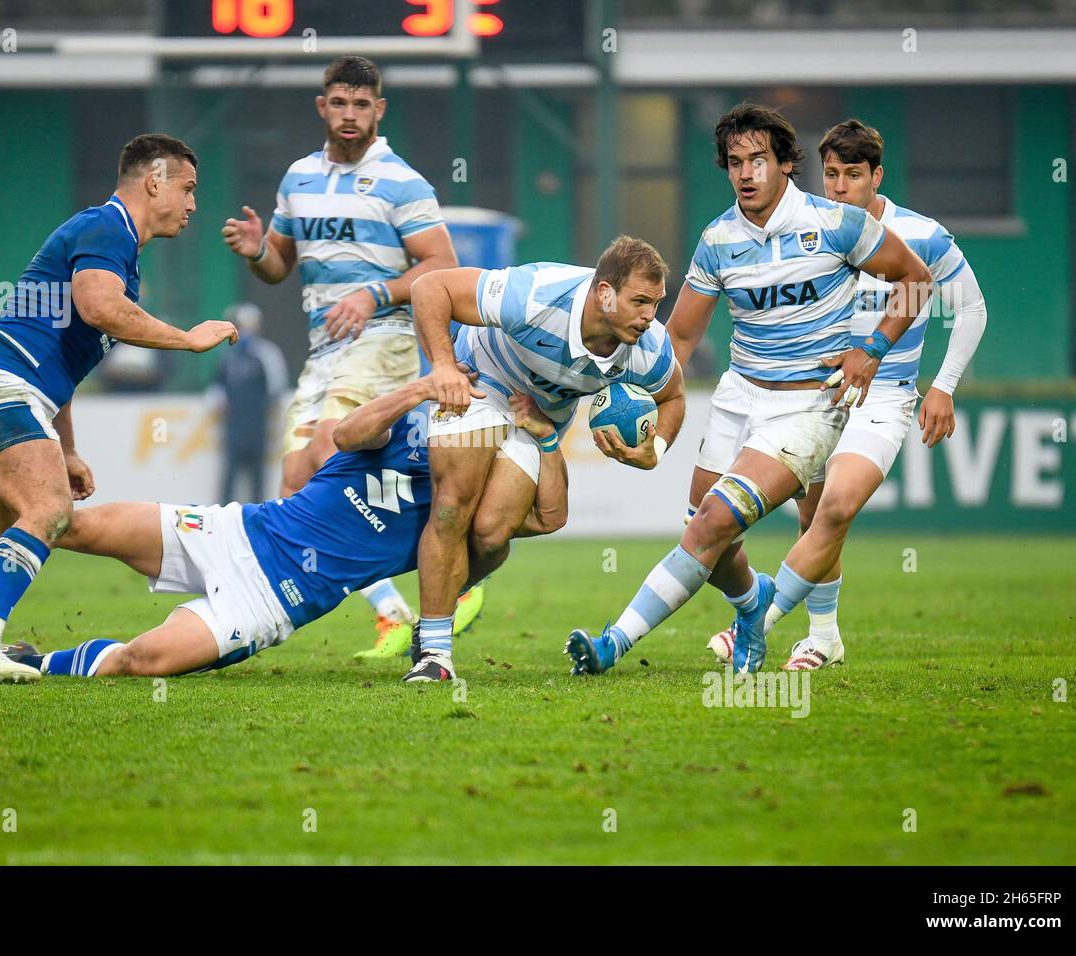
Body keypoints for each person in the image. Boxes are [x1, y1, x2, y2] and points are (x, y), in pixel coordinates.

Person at [0, 376, 567, 680]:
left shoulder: (473, 506)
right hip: (231, 531)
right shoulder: (405, 422)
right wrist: (421, 386)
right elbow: (341, 431)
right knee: (63, 524)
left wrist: (549, 434)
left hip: (268, 604)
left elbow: (543, 518)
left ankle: (22, 659)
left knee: (142, 662)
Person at [566, 102, 933, 677]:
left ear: (786, 164)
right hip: (738, 398)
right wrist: (638, 392)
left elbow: (917, 279)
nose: (745, 173)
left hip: (809, 406)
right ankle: (752, 602)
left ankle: (614, 642)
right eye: (735, 162)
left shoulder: (838, 224)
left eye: (758, 159)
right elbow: (680, 336)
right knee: (705, 538)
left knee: (714, 521)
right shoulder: (717, 240)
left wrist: (873, 350)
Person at [0, 133, 238, 683]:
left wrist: (69, 448)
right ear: (154, 181)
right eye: (189, 188)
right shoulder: (107, 228)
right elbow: (100, 308)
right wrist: (186, 339)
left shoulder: (111, 244)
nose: (194, 203)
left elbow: (64, 366)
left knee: (8, 531)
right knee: (50, 514)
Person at [704, 118, 988, 670]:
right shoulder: (816, 228)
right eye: (831, 174)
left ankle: (755, 625)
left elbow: (971, 308)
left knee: (836, 506)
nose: (838, 187)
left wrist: (944, 386)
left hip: (883, 398)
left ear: (876, 176)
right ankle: (825, 636)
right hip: (820, 396)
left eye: (852, 175)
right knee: (813, 521)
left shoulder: (922, 236)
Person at [221, 55, 459, 651]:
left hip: (386, 340)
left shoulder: (403, 182)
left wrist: (372, 292)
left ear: (379, 110)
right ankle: (402, 597)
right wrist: (257, 251)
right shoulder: (298, 177)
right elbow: (279, 267)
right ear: (322, 106)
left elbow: (443, 268)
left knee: (332, 446)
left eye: (362, 104)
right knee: (293, 485)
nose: (350, 115)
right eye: (339, 102)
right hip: (325, 351)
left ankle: (409, 601)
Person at [408, 236, 686, 682]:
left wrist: (657, 450)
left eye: (656, 303)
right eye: (639, 302)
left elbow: (672, 396)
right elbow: (430, 287)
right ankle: (435, 656)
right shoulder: (537, 293)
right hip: (481, 380)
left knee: (491, 532)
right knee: (451, 503)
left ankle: (432, 612)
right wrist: (441, 365)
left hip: (537, 419)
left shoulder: (649, 346)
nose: (649, 316)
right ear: (604, 293)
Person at [211, 303, 288, 503]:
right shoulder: (227, 356)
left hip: (257, 424)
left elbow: (276, 389)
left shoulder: (266, 353)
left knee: (257, 476)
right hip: (233, 425)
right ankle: (222, 516)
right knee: (230, 474)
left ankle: (258, 514)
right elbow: (216, 389)